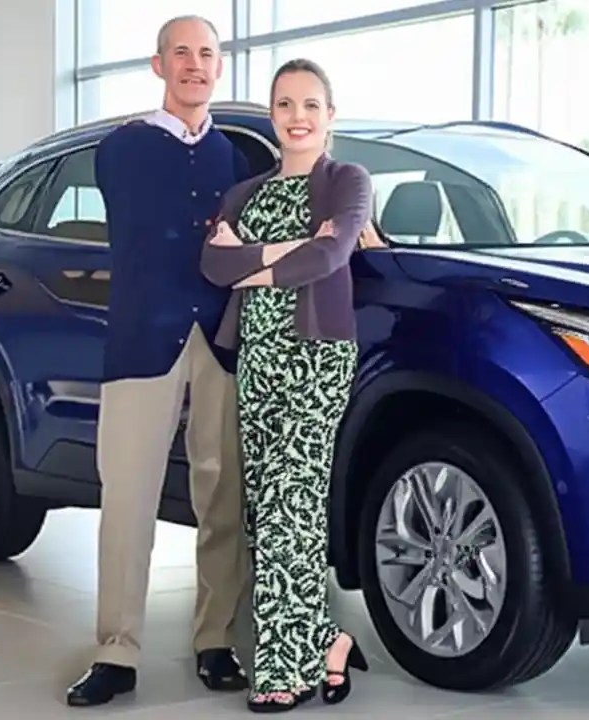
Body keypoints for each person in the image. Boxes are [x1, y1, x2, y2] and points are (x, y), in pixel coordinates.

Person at [65, 14, 255, 707]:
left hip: (216, 340)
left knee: (222, 496)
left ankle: (215, 641)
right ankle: (116, 651)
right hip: (144, 341)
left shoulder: (234, 157)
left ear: (218, 66)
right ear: (158, 65)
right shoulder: (123, 148)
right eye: (182, 54)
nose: (195, 65)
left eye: (206, 55)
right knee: (128, 498)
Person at [199, 57, 372, 712]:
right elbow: (214, 265)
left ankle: (280, 671)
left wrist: (256, 260)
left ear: (330, 117)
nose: (296, 117)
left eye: (309, 105)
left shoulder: (346, 183)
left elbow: (331, 255)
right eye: (284, 105)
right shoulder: (246, 194)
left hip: (317, 356)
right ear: (272, 116)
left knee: (289, 506)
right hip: (258, 360)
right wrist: (284, 252)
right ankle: (328, 642)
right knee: (263, 509)